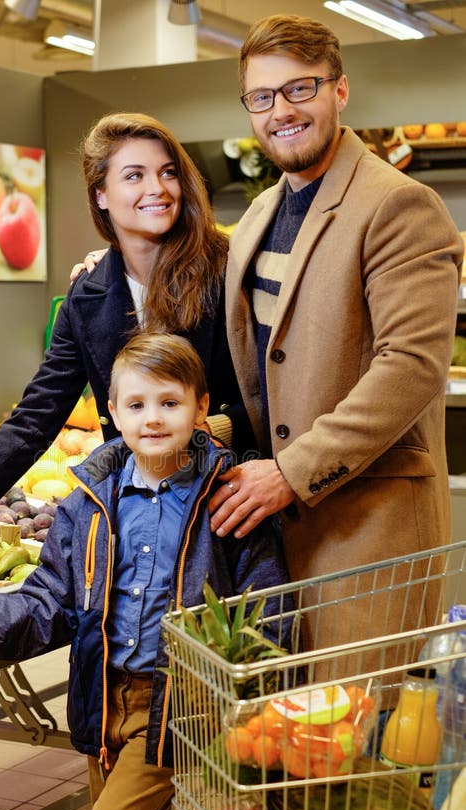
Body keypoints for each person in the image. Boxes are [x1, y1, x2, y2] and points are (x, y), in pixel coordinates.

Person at [0, 333, 293, 810]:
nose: (152, 419)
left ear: (201, 408)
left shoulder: (226, 495)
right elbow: (51, 594)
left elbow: (265, 600)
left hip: (177, 699)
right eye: (136, 404)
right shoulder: (86, 505)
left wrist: (256, 686)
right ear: (113, 413)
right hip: (101, 695)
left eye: (170, 403)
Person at [203, 14, 463, 658]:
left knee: (356, 735)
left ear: (339, 91)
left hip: (366, 525)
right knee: (281, 733)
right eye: (261, 97)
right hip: (273, 531)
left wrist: (291, 472)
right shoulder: (261, 213)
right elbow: (270, 368)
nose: (280, 111)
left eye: (301, 89)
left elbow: (410, 367)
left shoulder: (398, 205)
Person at [0, 112, 252, 553]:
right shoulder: (88, 294)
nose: (158, 189)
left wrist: (214, 428)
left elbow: (278, 389)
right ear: (101, 196)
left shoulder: (229, 269)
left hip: (231, 502)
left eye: (168, 172)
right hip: (138, 515)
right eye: (135, 176)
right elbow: (37, 415)